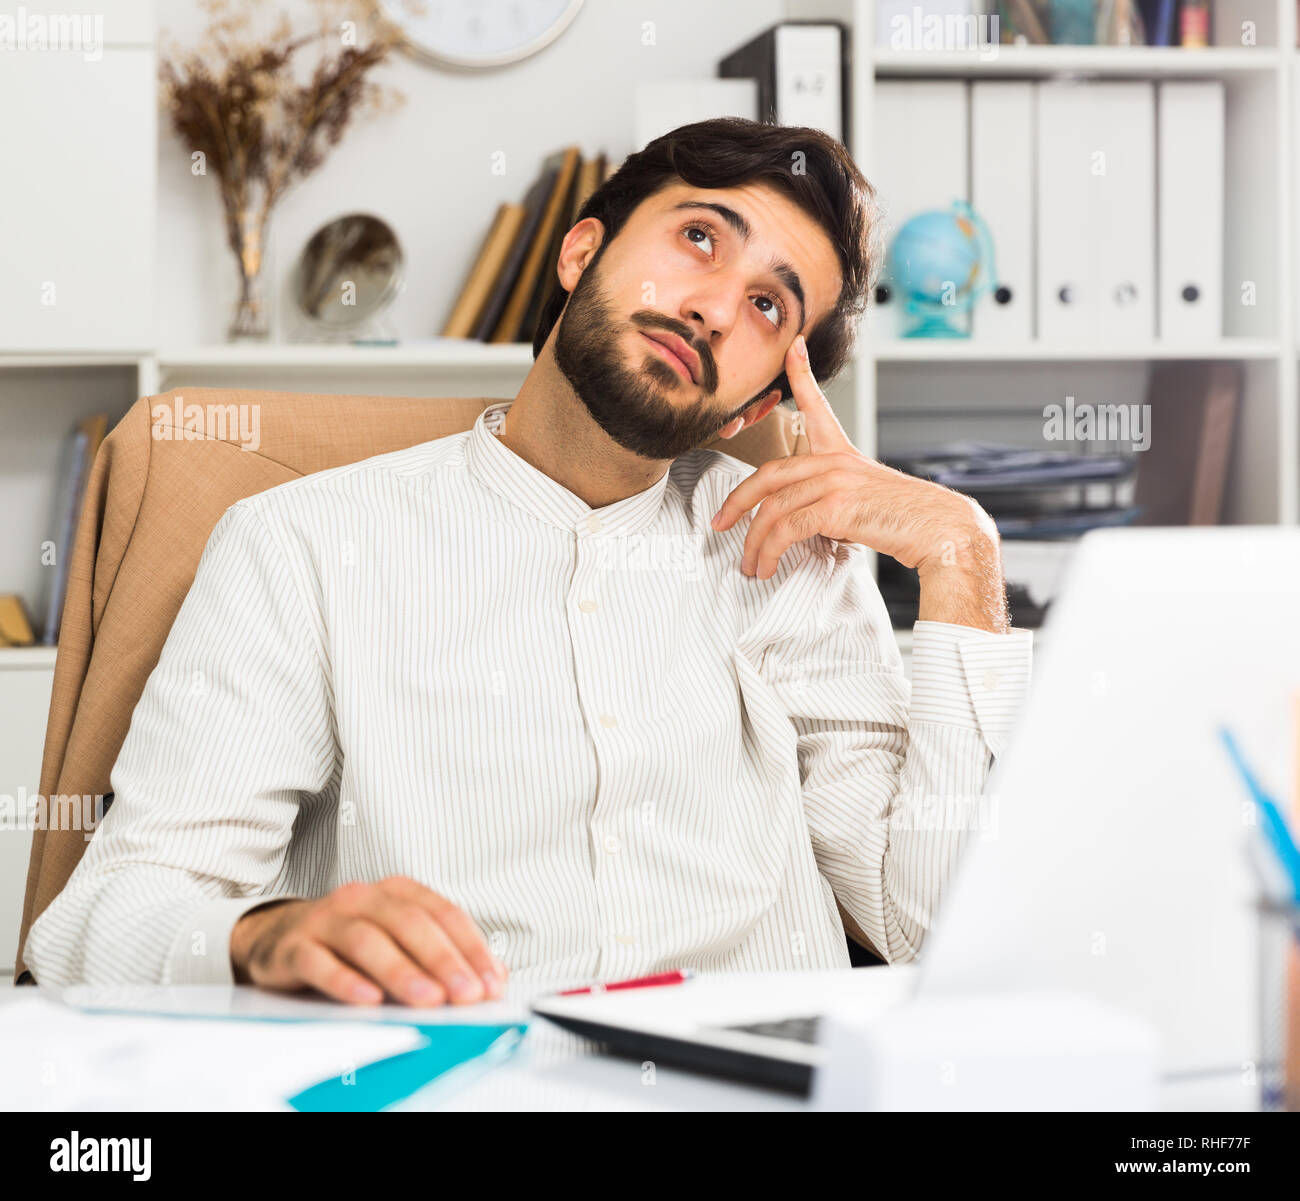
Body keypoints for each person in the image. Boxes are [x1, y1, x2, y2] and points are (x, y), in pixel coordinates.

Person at [24, 118, 1031, 1006]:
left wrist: (961, 558)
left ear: (761, 401)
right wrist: (261, 935)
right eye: (696, 240)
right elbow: (94, 929)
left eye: (771, 308)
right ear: (580, 250)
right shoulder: (301, 544)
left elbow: (927, 931)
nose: (715, 308)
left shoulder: (797, 555)